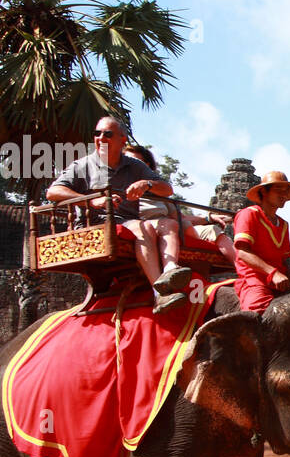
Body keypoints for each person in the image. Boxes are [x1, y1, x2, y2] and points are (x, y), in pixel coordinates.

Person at [47, 117, 191, 313]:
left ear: (122, 140)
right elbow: (53, 192)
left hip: (126, 221)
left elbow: (167, 189)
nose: (100, 138)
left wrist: (146, 184)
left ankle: (169, 272)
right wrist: (91, 201)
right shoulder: (83, 165)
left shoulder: (134, 166)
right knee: (144, 227)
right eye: (97, 134)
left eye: (107, 134)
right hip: (94, 223)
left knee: (159, 224)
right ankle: (159, 294)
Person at [124, 143, 238, 265]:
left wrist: (208, 218)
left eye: (135, 162)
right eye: (126, 162)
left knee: (212, 230)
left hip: (175, 228)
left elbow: (179, 217)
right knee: (173, 225)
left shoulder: (160, 192)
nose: (130, 166)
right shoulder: (121, 188)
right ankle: (171, 267)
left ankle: (244, 271)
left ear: (146, 166)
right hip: (152, 229)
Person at [232, 170, 290, 313]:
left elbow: (283, 261)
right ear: (264, 191)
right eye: (278, 190)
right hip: (255, 280)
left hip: (280, 283)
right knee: (257, 313)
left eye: (286, 191)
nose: (283, 195)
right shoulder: (248, 214)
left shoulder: (283, 224)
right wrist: (273, 273)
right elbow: (242, 252)